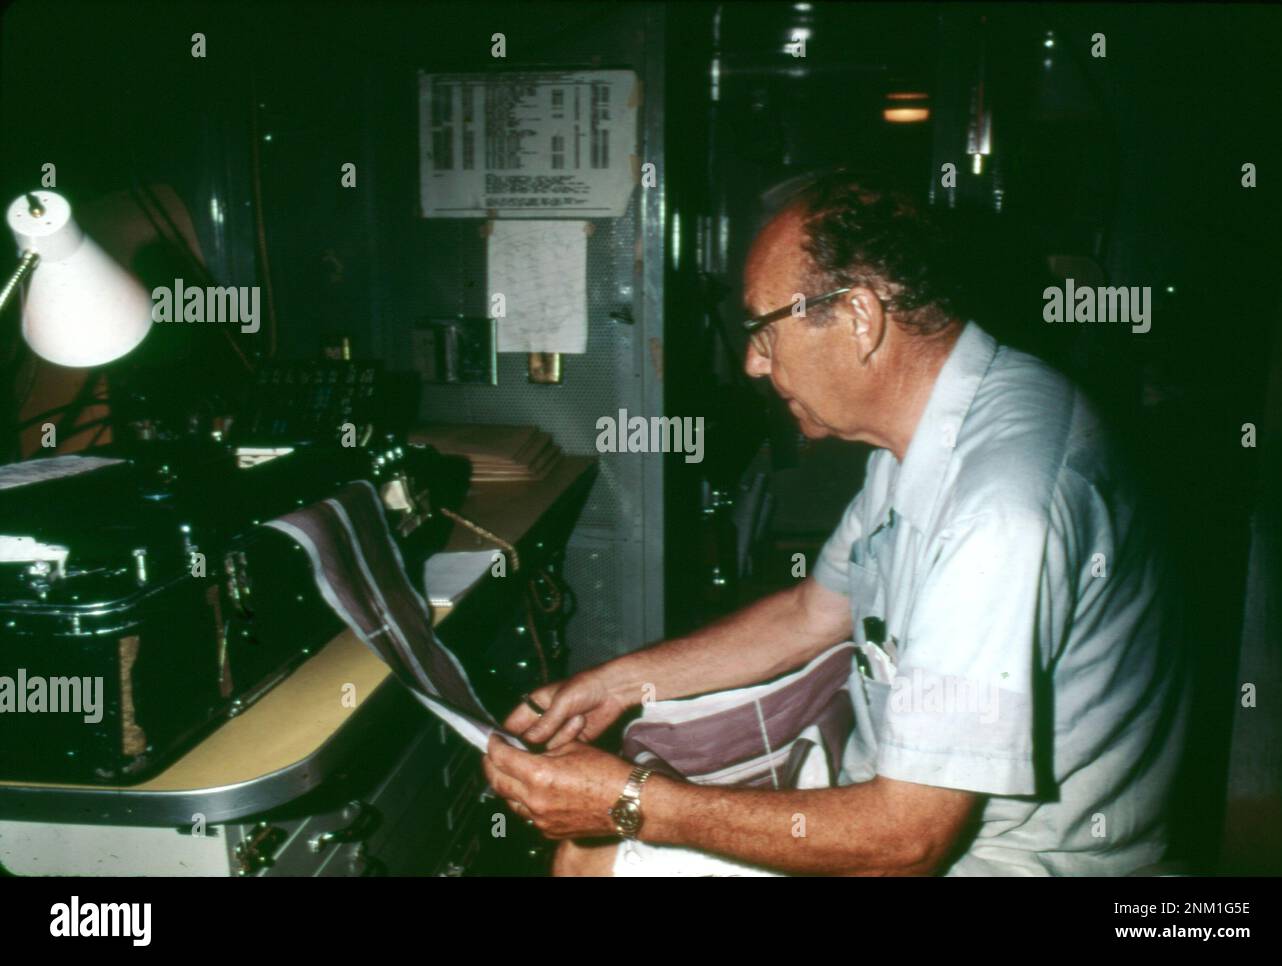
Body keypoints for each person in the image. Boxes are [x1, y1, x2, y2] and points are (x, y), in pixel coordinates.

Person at [482, 173, 1188, 876]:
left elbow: (909, 843)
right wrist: (614, 684)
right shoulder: (939, 424)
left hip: (1008, 862)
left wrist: (634, 802)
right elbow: (810, 614)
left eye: (764, 328)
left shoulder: (1000, 511)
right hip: (901, 805)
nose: (755, 364)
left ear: (858, 316)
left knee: (591, 861)